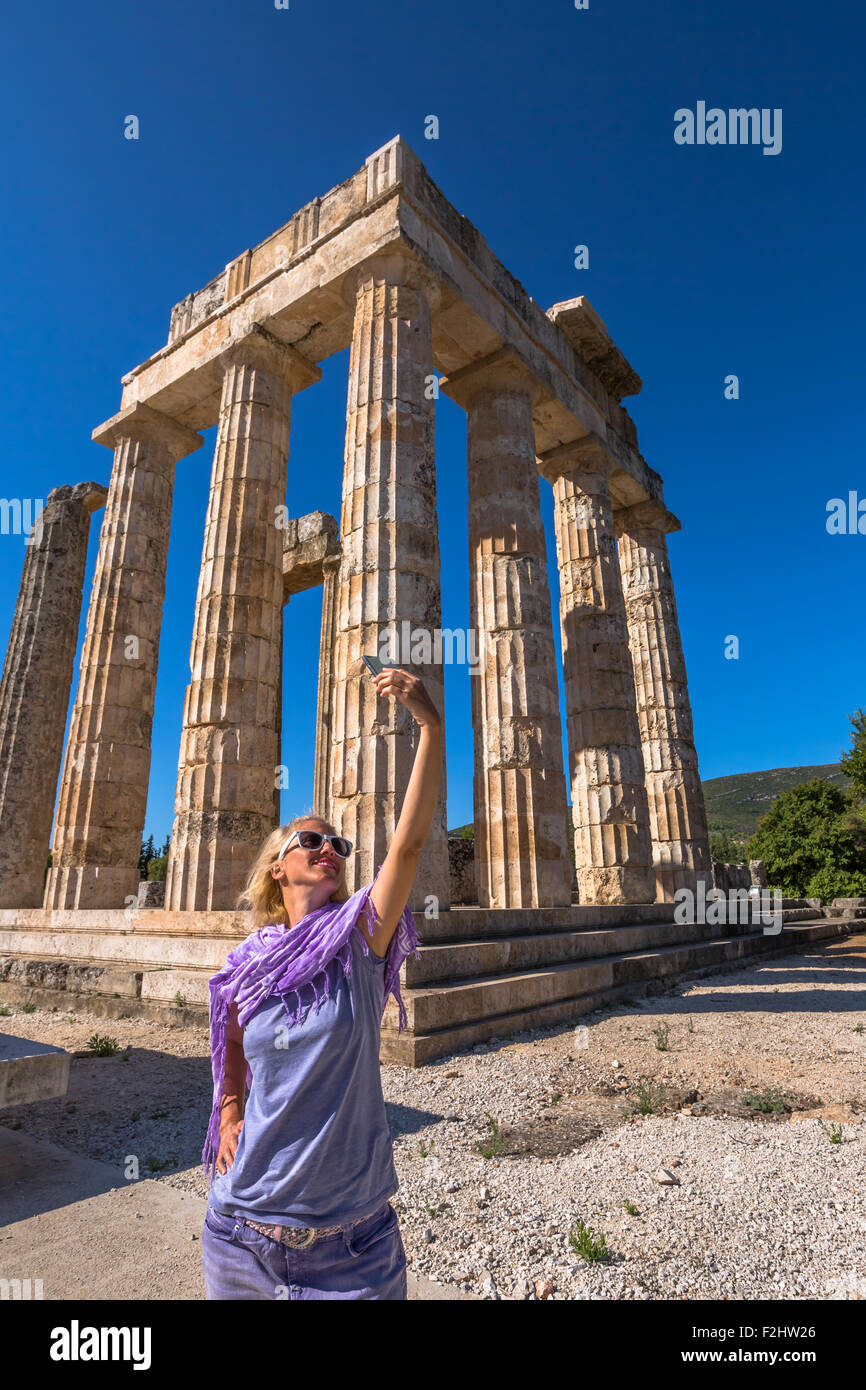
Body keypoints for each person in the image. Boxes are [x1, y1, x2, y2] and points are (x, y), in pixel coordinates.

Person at [199, 662, 442, 1299]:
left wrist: (430, 727)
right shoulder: (248, 964)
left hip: (352, 1249)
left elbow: (408, 847)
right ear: (277, 869)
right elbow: (230, 1034)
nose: (329, 848)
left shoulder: (360, 940)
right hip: (240, 1234)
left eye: (339, 845)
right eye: (311, 840)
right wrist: (229, 1107)